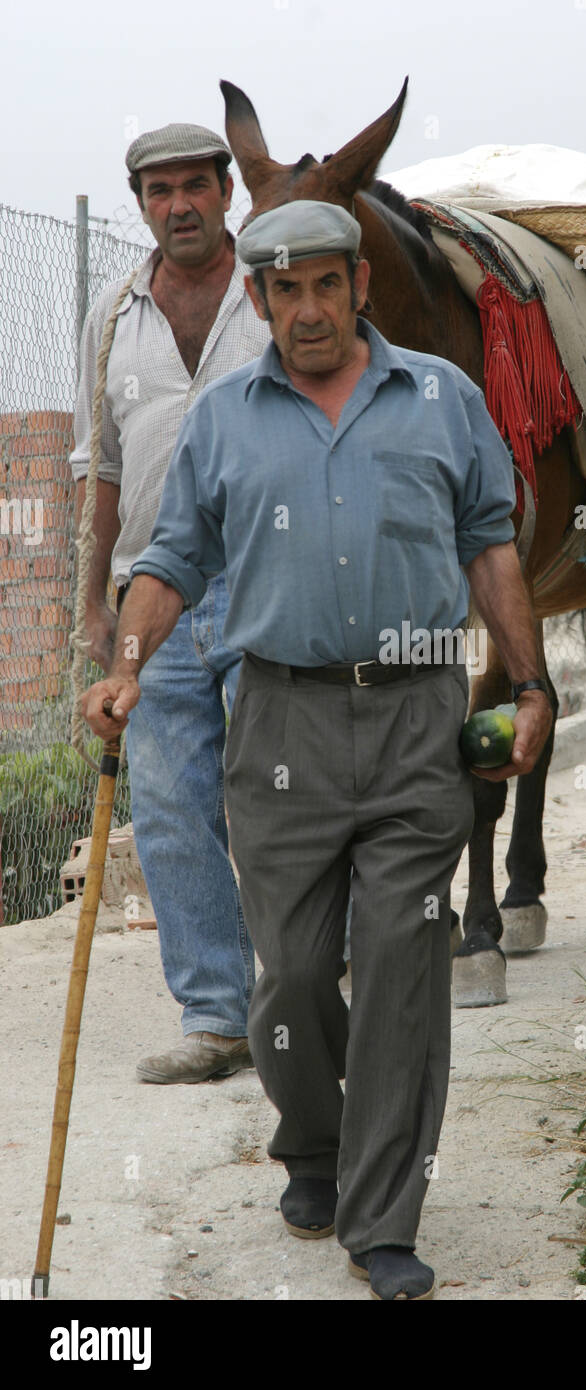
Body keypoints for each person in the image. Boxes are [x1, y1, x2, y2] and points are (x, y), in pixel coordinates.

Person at [80, 199, 553, 1300]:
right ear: (258, 300)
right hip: (280, 721)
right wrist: (127, 661)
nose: (305, 310)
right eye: (281, 291)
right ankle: (312, 1142)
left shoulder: (440, 400)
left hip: (412, 722)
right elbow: (173, 558)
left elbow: (489, 545)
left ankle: (381, 1214)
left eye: (324, 286)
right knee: (289, 978)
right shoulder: (225, 421)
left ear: (358, 289)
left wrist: (528, 685)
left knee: (397, 967)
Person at [70, 124, 271, 1082]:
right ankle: (216, 1017)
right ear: (140, 201)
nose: (180, 203)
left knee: (287, 782)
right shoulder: (112, 315)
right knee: (168, 801)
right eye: (161, 190)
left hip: (270, 575)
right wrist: (93, 604)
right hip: (153, 591)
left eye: (197, 184)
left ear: (228, 191)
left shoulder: (273, 290)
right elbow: (99, 466)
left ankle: (326, 980)